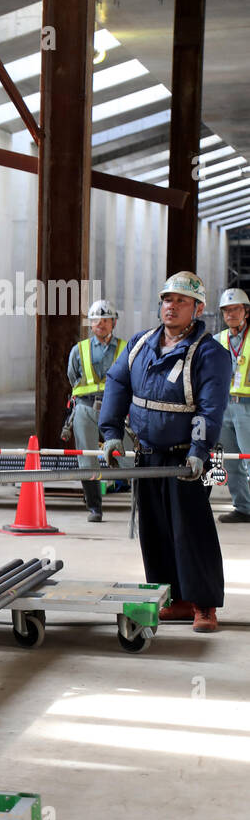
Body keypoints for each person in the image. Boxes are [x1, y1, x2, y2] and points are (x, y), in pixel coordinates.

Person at [98, 271, 231, 633]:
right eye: (167, 299)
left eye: (181, 301)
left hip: (187, 457)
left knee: (191, 529)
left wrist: (200, 451)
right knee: (154, 529)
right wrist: (111, 434)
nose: (171, 306)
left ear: (198, 308)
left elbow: (210, 407)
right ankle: (173, 599)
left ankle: (204, 605)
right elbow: (117, 383)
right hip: (147, 455)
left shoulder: (209, 353)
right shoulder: (141, 344)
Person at [67, 299, 127, 521]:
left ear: (114, 322)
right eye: (95, 320)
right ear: (90, 324)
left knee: (129, 455)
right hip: (85, 407)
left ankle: (143, 505)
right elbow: (73, 378)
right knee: (87, 459)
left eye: (105, 320)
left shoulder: (125, 348)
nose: (100, 324)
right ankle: (94, 508)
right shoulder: (79, 350)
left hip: (117, 409)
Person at [215, 287, 250, 523]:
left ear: (245, 311)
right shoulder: (218, 340)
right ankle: (243, 507)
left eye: (235, 309)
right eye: (226, 310)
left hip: (247, 406)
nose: (230, 314)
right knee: (231, 459)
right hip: (224, 406)